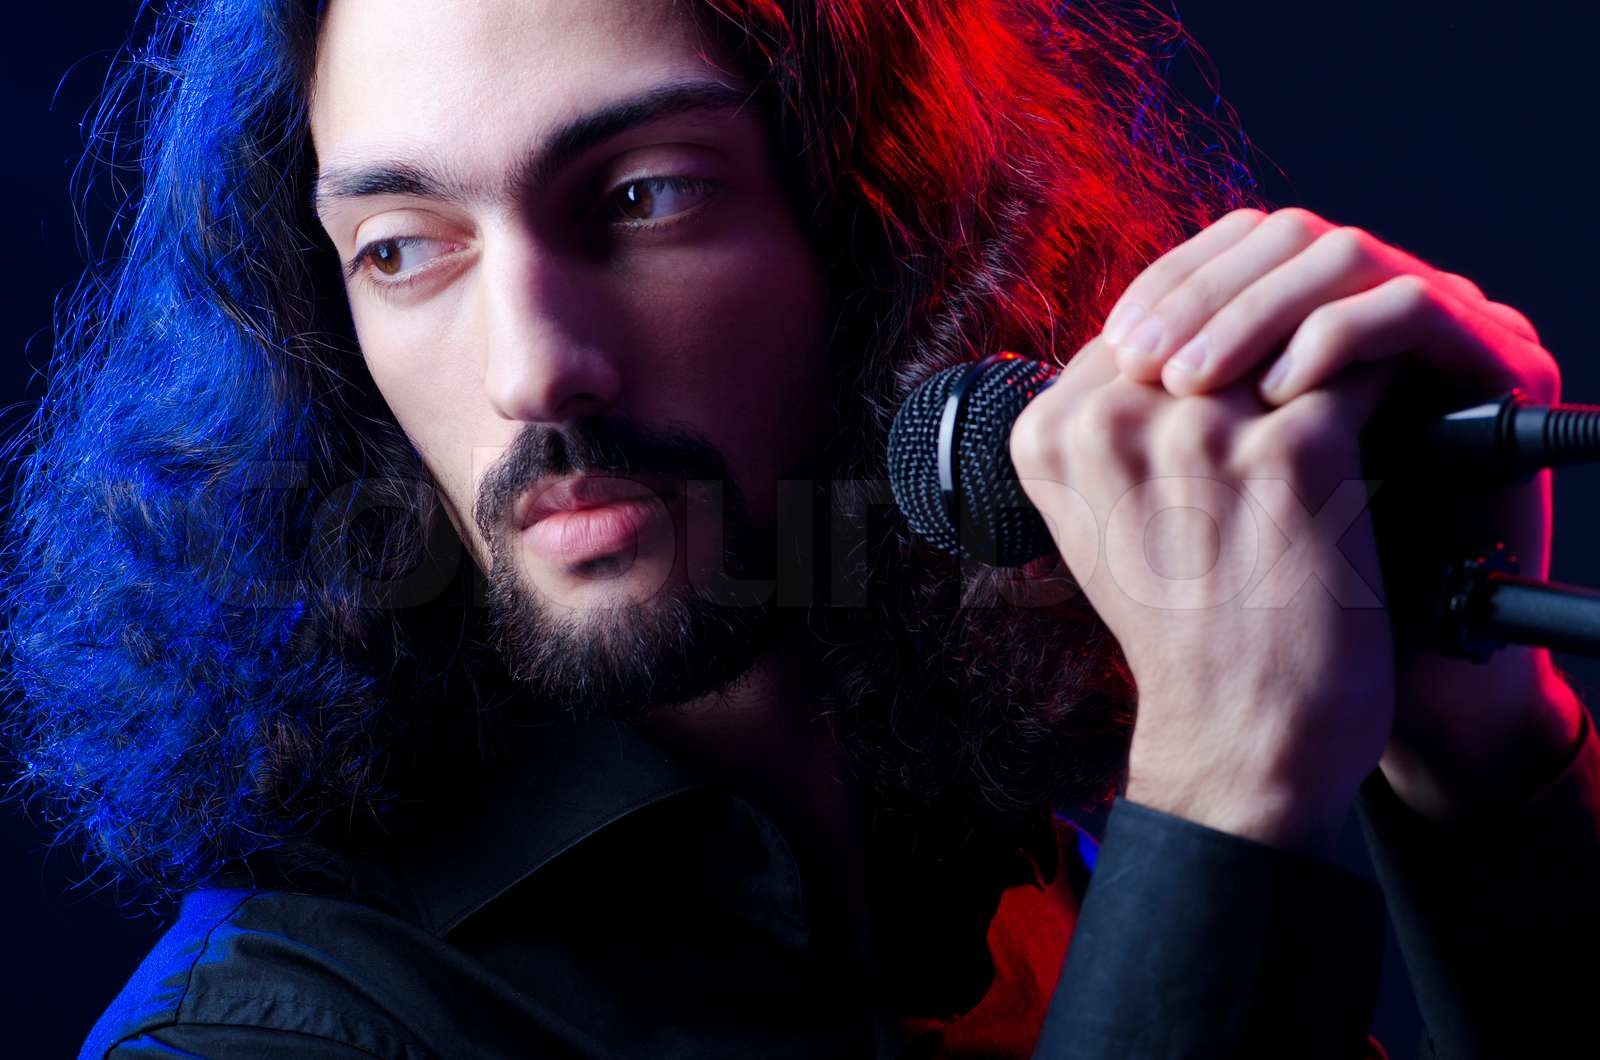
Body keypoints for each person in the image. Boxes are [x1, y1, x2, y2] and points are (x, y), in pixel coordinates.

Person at [3, 0, 1595, 1056]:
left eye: (643, 196)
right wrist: (1225, 791)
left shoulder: (1023, 886)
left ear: (889, 232)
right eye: (405, 250)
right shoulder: (269, 1041)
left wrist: (1486, 773)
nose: (533, 363)